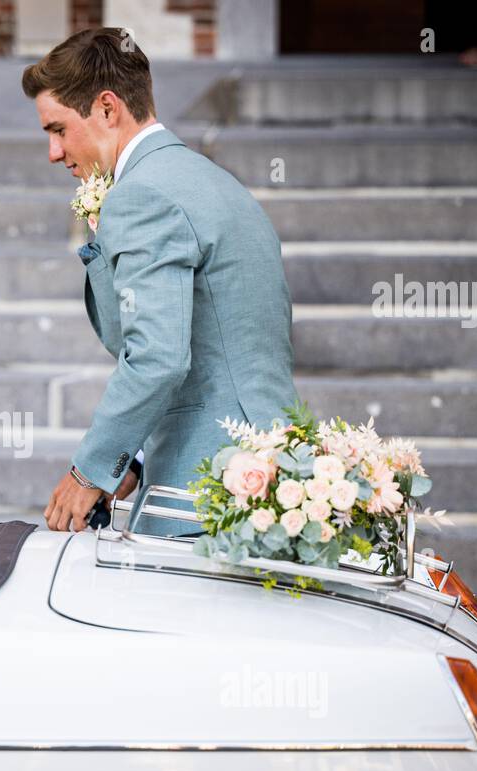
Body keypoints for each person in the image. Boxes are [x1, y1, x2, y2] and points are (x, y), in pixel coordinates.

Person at [23, 28, 299, 536]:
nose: (54, 152)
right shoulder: (215, 181)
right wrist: (132, 458)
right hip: (274, 473)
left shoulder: (141, 195)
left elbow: (158, 357)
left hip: (206, 496)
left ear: (107, 109)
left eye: (58, 129)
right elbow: (221, 344)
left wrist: (90, 469)